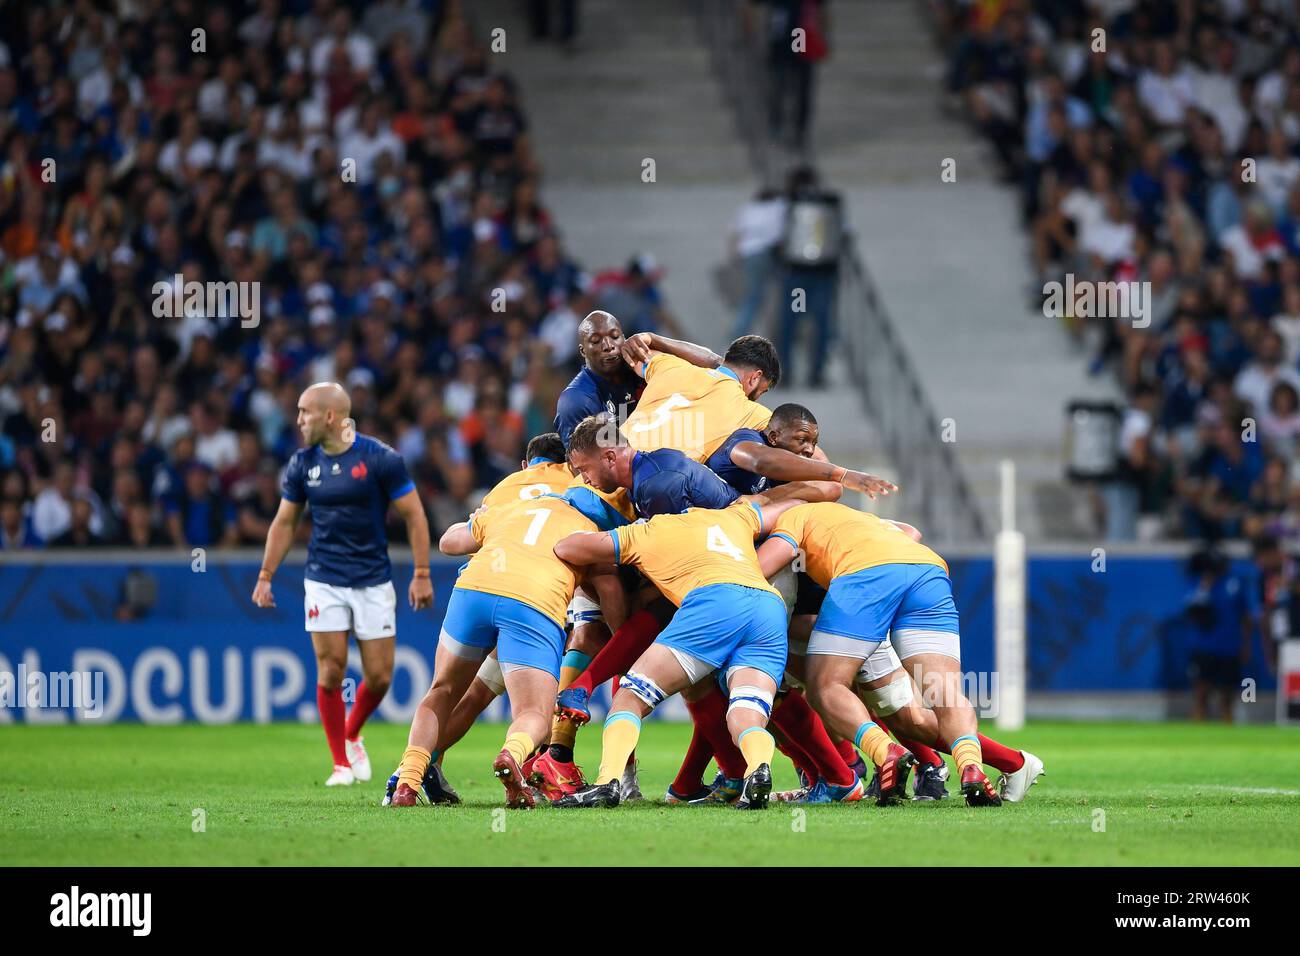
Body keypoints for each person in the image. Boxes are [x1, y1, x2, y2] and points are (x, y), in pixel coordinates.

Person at [552, 495, 808, 809]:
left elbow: (567, 548)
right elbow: (792, 504)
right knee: (747, 713)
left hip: (714, 601)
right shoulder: (734, 517)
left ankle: (607, 783)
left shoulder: (651, 530)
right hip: (768, 608)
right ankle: (758, 767)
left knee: (630, 696)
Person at [756, 501, 1004, 806]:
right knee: (944, 692)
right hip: (928, 569)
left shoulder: (793, 516)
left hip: (866, 575)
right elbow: (912, 531)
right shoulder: (861, 517)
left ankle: (885, 752)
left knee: (826, 686)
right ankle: (971, 768)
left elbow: (763, 566)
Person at [389, 492, 626, 808]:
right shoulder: (588, 528)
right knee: (534, 715)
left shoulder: (510, 507)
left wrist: (477, 519)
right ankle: (511, 754)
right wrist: (623, 638)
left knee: (441, 692)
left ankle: (406, 784)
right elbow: (608, 587)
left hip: (473, 592)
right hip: (532, 603)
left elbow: (448, 543)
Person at [252, 382, 433, 787]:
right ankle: (340, 764)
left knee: (381, 676)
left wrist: (421, 573)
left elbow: (415, 516)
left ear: (329, 416)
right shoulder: (302, 464)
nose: (298, 420)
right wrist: (265, 575)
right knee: (330, 668)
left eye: (304, 412)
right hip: (323, 579)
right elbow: (285, 522)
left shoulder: (380, 459)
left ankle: (352, 733)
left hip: (372, 579)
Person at [1184, 547, 1256, 723]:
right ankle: (1196, 732)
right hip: (1203, 646)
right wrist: (1203, 590)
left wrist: (1246, 645)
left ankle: (1228, 729)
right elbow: (1191, 613)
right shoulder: (1198, 584)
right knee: (1201, 693)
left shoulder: (1235, 583)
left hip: (1229, 646)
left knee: (1227, 695)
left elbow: (1246, 617)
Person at [729, 187, 787, 339]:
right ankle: (780, 335)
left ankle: (737, 337)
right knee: (783, 296)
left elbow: (735, 236)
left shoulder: (748, 209)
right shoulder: (779, 205)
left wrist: (736, 260)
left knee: (752, 299)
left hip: (749, 254)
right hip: (769, 252)